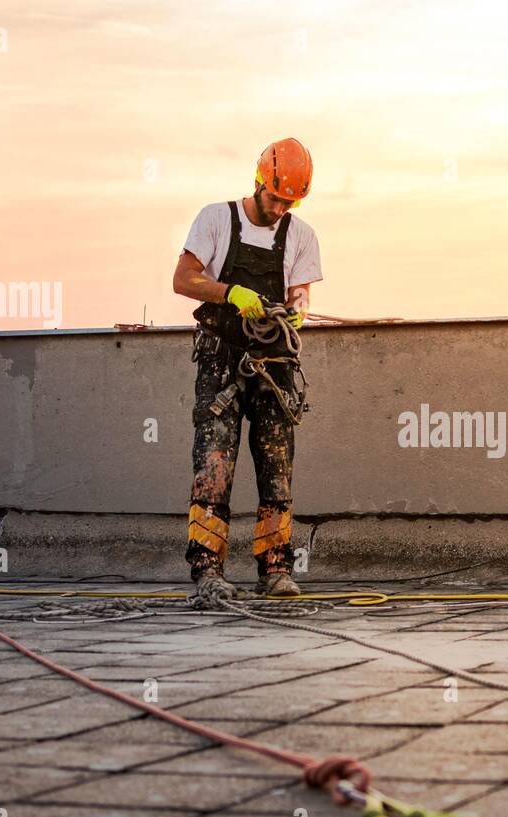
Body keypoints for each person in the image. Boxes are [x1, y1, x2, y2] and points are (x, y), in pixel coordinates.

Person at [171, 138, 321, 604]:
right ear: (258, 182)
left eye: (288, 202)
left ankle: (276, 567)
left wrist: (295, 312)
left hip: (274, 363)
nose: (279, 208)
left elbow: (300, 296)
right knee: (215, 463)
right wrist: (230, 293)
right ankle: (207, 569)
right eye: (275, 197)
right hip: (222, 359)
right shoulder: (216, 219)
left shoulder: (301, 236)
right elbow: (183, 279)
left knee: (277, 466)